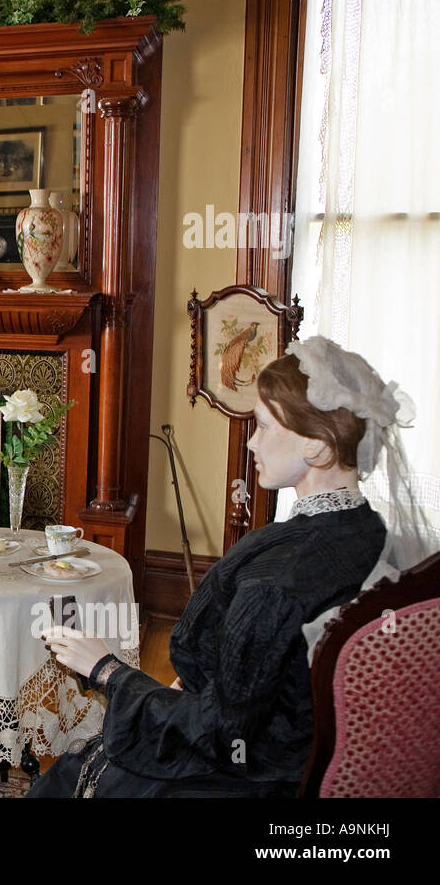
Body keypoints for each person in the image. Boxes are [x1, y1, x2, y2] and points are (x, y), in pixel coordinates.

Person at [28, 337, 432, 797]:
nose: (252, 442)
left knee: (67, 778)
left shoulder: (276, 579)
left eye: (261, 426)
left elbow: (221, 733)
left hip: (253, 775)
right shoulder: (373, 535)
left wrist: (104, 668)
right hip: (320, 751)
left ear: (318, 448)